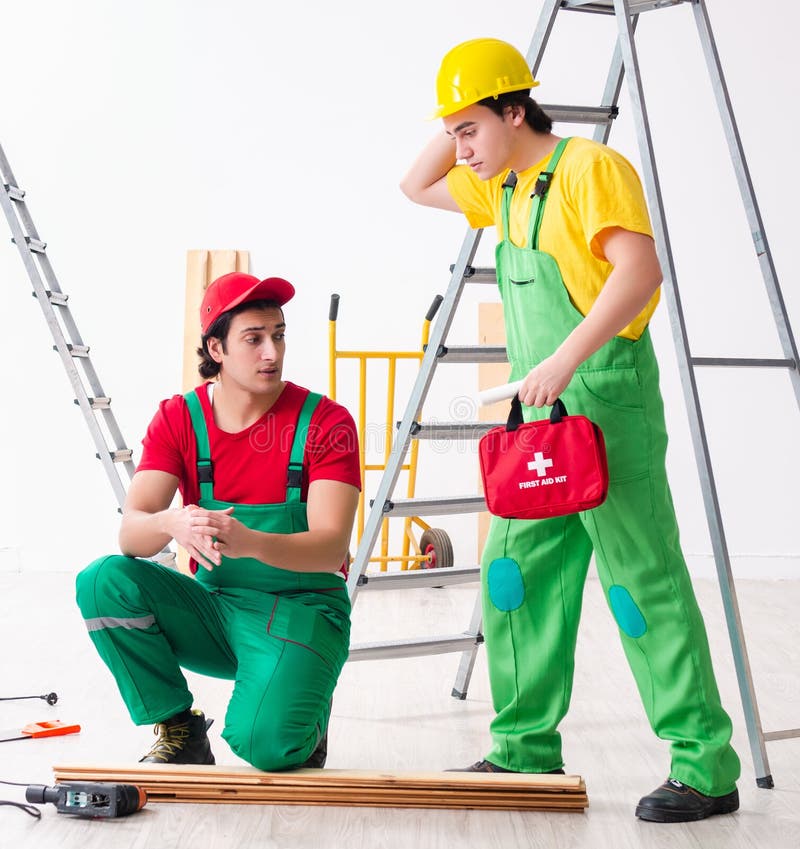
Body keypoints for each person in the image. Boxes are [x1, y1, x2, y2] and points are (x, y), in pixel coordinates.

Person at [400, 37, 740, 823]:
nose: (460, 150)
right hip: (541, 414)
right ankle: (523, 751)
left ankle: (704, 764)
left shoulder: (590, 170)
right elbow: (413, 184)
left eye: (472, 130)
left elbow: (640, 270)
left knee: (637, 581)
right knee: (514, 575)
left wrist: (564, 356)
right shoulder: (506, 191)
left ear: (517, 111)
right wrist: (460, 114)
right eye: (455, 134)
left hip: (604, 399)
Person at [75, 271, 361, 771]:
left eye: (278, 335)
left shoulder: (327, 423)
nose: (272, 352)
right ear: (218, 348)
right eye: (254, 339)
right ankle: (181, 729)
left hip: (304, 609)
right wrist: (172, 522)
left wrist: (247, 540)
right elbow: (132, 534)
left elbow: (331, 549)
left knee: (268, 749)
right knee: (104, 581)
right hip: (217, 608)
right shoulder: (178, 418)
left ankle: (308, 702)